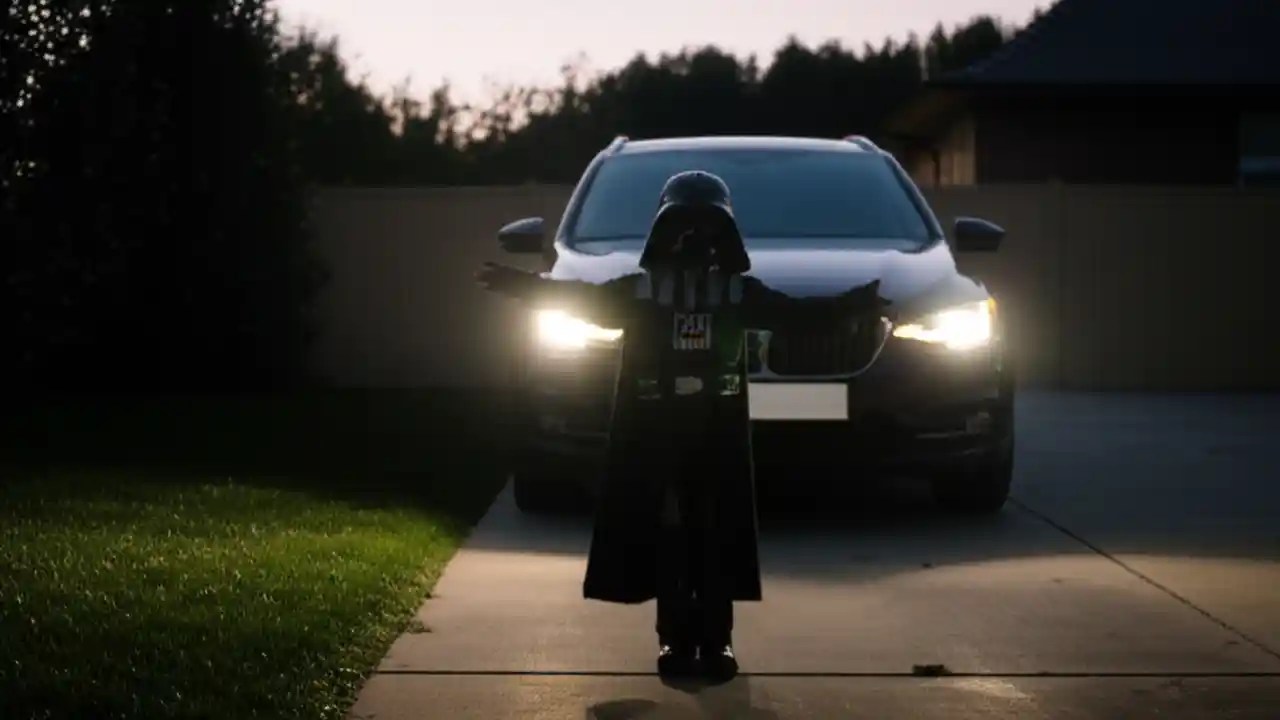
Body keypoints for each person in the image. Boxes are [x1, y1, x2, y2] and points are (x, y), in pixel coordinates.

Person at [477, 170, 886, 682]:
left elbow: (797, 315)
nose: (694, 241)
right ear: (663, 233)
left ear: (725, 235)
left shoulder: (734, 294)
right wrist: (525, 287)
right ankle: (674, 636)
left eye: (706, 229)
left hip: (716, 432)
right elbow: (582, 298)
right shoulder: (645, 293)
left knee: (713, 531)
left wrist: (855, 304)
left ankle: (715, 640)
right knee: (669, 533)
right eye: (682, 229)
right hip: (655, 430)